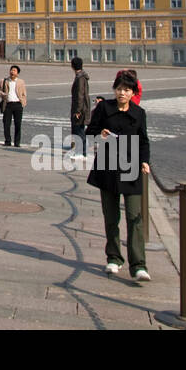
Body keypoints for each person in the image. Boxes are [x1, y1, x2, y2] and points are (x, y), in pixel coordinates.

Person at [86, 69, 152, 282]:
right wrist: (100, 134)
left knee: (135, 216)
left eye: (126, 90)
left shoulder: (139, 113)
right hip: (108, 166)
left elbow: (143, 140)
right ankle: (114, 258)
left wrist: (144, 161)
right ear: (114, 90)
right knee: (111, 217)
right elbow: (89, 133)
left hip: (131, 168)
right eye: (119, 89)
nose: (122, 93)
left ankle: (139, 265)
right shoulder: (104, 108)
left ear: (133, 93)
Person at [0, 64, 27, 147]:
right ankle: (7, 141)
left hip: (18, 104)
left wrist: (23, 102)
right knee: (6, 124)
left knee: (18, 124)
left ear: (17, 73)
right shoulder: (4, 81)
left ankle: (17, 142)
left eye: (14, 70)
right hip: (8, 104)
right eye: (11, 70)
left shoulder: (21, 82)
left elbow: (24, 93)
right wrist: (2, 94)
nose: (12, 72)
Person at [69, 56, 91, 160]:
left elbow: (80, 95)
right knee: (79, 130)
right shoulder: (81, 76)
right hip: (82, 108)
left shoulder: (80, 78)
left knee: (79, 131)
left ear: (72, 66)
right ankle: (81, 152)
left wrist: (78, 111)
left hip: (80, 109)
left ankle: (81, 153)